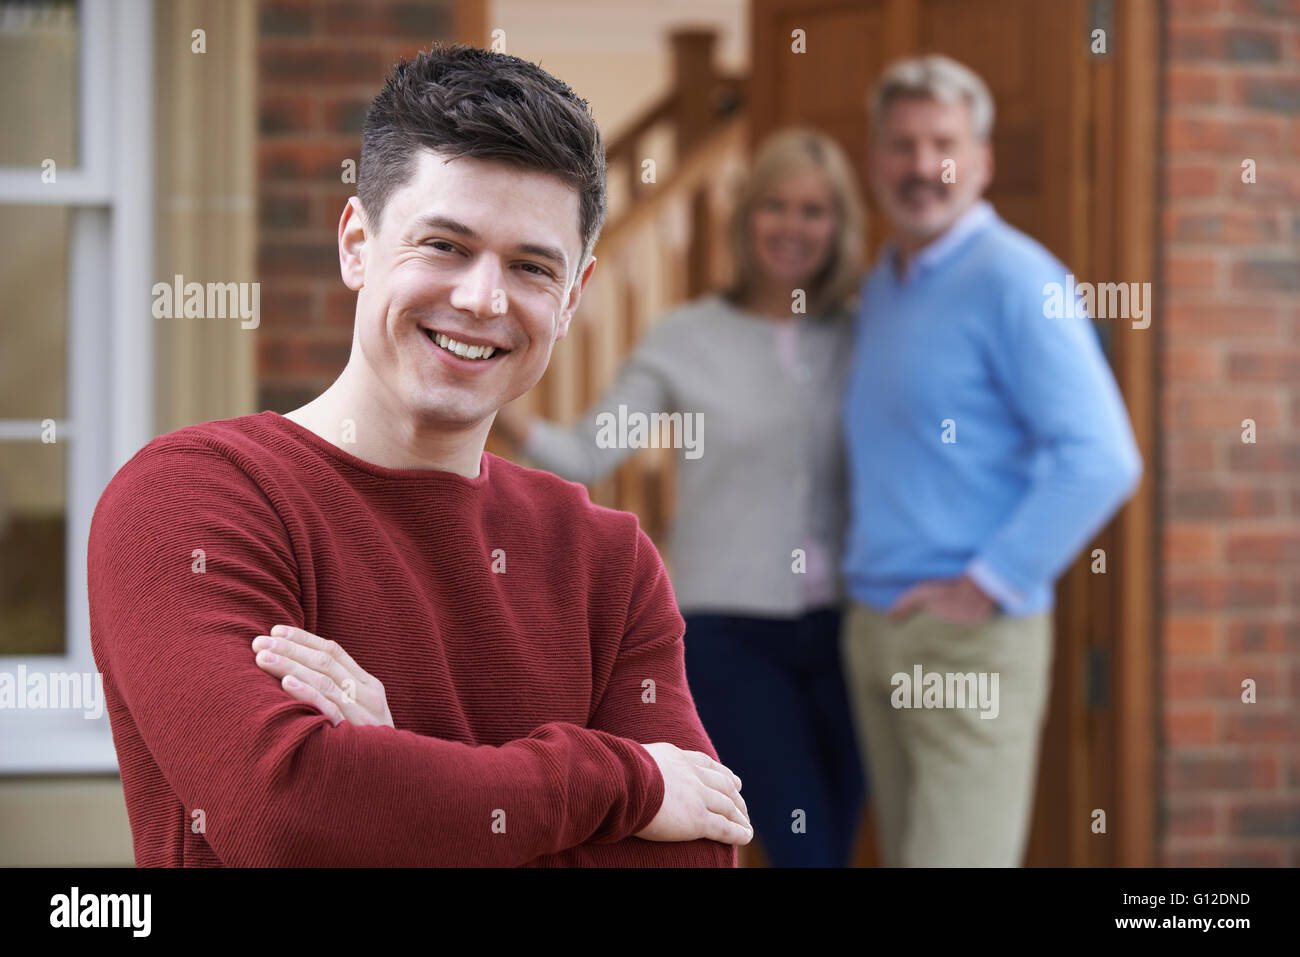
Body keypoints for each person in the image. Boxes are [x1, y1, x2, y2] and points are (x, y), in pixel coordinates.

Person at [87, 45, 751, 867]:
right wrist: (628, 785)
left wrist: (395, 772)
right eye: (444, 244)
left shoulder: (610, 564)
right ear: (356, 243)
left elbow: (699, 856)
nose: (482, 298)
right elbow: (291, 819)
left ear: (572, 296)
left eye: (531, 266)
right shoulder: (191, 502)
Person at [494, 129, 869, 867]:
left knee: (836, 839)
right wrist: (490, 397)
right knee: (805, 848)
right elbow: (587, 451)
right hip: (731, 633)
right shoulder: (685, 337)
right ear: (746, 217)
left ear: (839, 228)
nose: (793, 227)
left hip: (855, 631)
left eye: (814, 211)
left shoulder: (865, 336)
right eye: (775, 206)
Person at [839, 54, 1143, 867]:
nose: (921, 166)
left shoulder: (1017, 278)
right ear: (874, 160)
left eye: (943, 142)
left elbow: (1102, 456)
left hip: (968, 636)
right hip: (876, 628)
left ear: (982, 160)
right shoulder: (886, 283)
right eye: (900, 145)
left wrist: (984, 584)